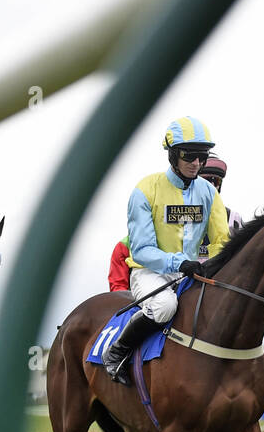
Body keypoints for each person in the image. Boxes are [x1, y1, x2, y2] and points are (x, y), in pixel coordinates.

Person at [101, 117, 230, 384]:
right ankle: (117, 352)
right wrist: (180, 263)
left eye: (202, 156)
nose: (197, 163)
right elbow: (142, 249)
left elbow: (220, 241)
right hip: (149, 273)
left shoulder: (209, 193)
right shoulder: (145, 190)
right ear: (172, 154)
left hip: (189, 273)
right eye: (189, 155)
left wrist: (214, 265)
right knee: (164, 307)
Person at [198, 155, 245, 249]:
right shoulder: (177, 214)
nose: (212, 186)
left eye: (216, 181)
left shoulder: (233, 218)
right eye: (206, 180)